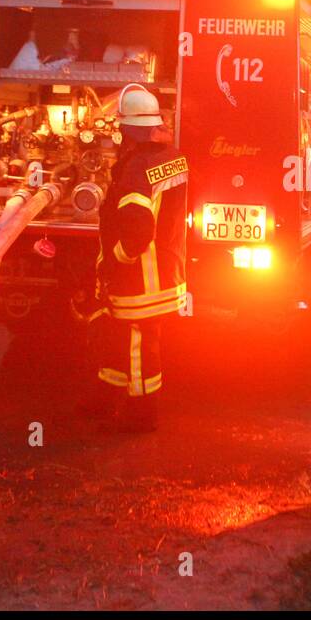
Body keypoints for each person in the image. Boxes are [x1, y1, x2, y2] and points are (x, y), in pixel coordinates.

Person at [87, 84, 188, 432]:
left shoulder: (135, 168)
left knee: (138, 343)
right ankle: (106, 396)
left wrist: (114, 260)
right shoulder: (171, 155)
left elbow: (138, 231)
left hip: (140, 279)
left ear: (128, 129)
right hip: (165, 271)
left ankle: (141, 416)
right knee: (119, 337)